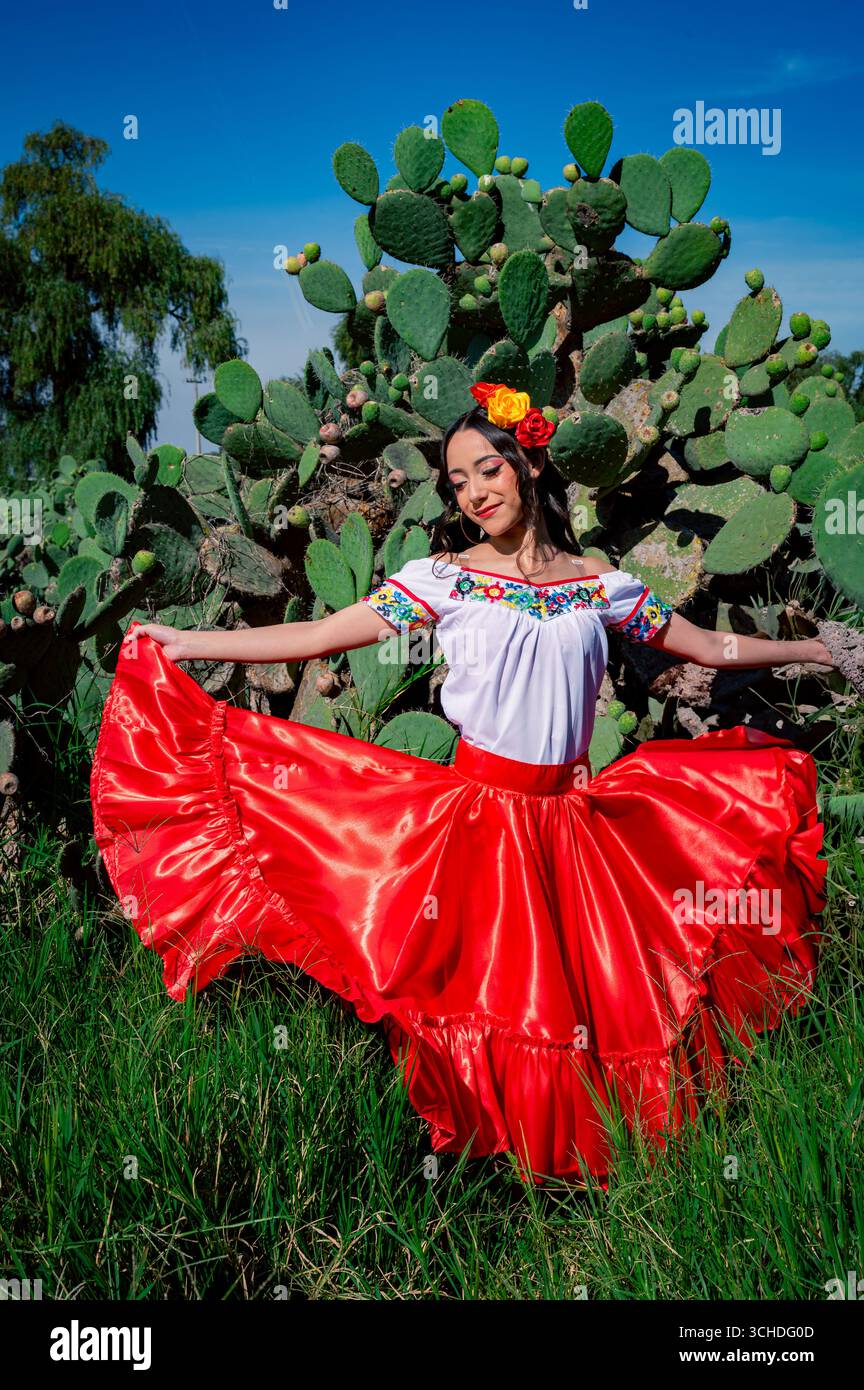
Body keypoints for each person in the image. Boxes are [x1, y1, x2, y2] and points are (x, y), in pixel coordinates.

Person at [90, 382, 833, 1188]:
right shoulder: (444, 577)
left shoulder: (600, 584)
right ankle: (489, 1153)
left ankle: (582, 1152)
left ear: (530, 462)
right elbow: (313, 636)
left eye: (487, 471)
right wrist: (184, 639)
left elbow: (707, 648)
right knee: (493, 993)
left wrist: (825, 653)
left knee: (585, 1000)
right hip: (479, 819)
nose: (474, 493)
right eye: (458, 482)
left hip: (574, 820)